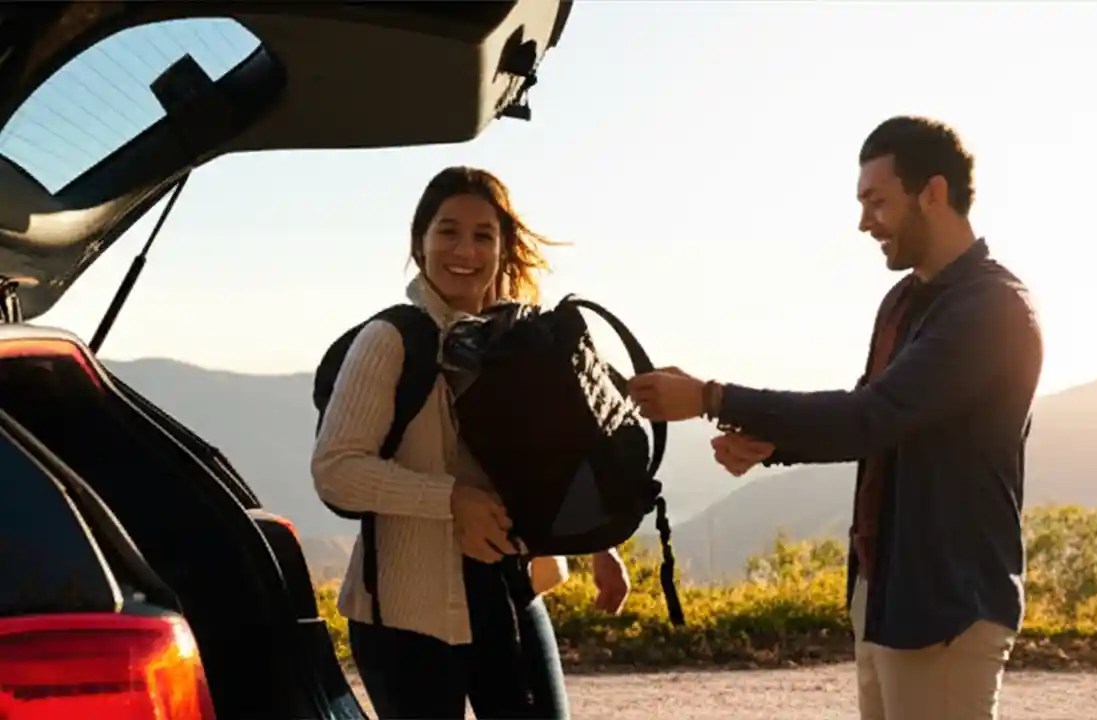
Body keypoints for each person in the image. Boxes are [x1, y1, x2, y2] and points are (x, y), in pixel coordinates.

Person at [628, 116, 1043, 720]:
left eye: (877, 201)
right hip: (887, 596)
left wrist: (714, 398)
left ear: (932, 192)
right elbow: (873, 417)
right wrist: (770, 445)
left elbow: (871, 417)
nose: (863, 222)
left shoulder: (992, 309)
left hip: (946, 603)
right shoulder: (904, 301)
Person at [312, 166, 631, 720]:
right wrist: (451, 499)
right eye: (448, 231)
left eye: (484, 235)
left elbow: (557, 453)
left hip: (510, 589)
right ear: (420, 244)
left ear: (503, 248)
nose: (465, 249)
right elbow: (335, 469)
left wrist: (602, 546)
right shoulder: (390, 339)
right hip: (406, 616)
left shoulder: (518, 339)